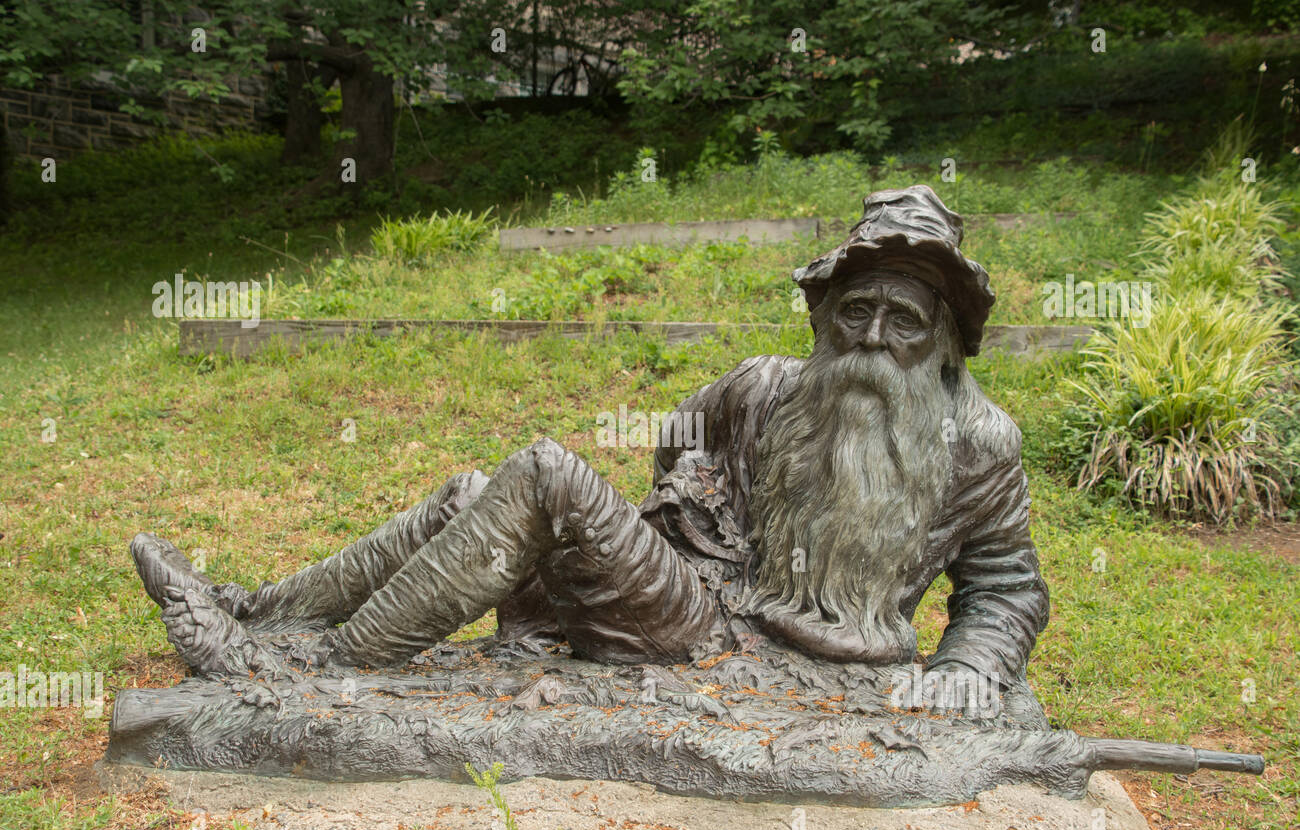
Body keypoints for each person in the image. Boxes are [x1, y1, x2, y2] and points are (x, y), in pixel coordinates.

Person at [132, 184, 1049, 695]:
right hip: (701, 600)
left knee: (541, 476)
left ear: (944, 338)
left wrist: (969, 665)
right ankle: (259, 612)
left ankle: (303, 673)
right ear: (825, 318)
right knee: (467, 498)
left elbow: (1007, 588)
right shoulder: (764, 389)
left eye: (904, 320)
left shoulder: (980, 446)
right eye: (856, 313)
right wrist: (694, 519)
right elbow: (671, 450)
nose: (874, 340)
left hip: (759, 654)